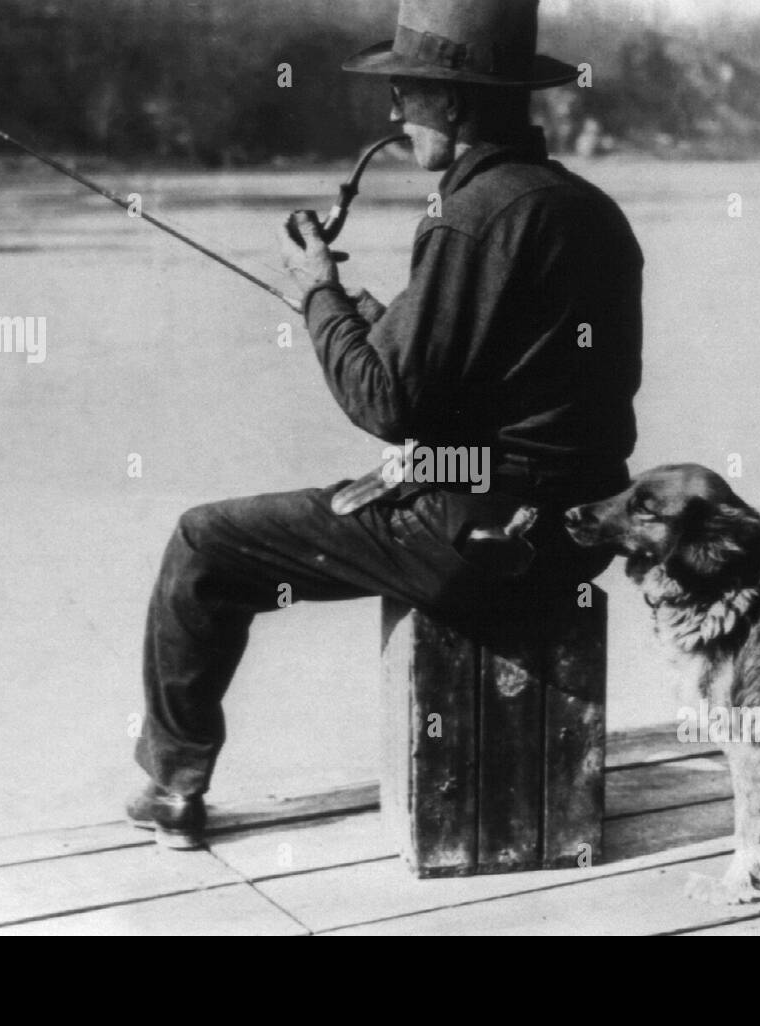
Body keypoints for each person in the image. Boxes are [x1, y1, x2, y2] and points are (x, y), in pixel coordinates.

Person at [127, 0, 644, 849]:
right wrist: (363, 308)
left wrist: (317, 294)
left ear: (459, 103)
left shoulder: (468, 217)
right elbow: (480, 365)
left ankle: (172, 786)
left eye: (408, 92)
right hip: (580, 529)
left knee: (204, 545)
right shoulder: (586, 210)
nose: (396, 115)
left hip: (476, 535)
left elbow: (388, 405)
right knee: (379, 485)